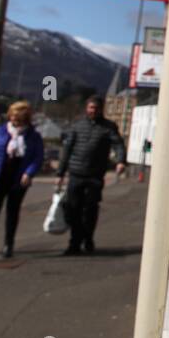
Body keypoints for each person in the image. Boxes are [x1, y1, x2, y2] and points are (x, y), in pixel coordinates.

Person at [55, 95, 127, 256]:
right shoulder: (77, 126)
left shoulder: (109, 127)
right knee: (73, 209)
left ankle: (87, 238)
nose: (93, 111)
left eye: (96, 108)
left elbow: (118, 144)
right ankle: (74, 242)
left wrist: (121, 161)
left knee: (90, 209)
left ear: (101, 110)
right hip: (76, 174)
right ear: (86, 109)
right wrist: (60, 172)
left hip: (95, 175)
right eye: (90, 108)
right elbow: (67, 149)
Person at [0, 100, 44, 259]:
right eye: (12, 117)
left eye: (18, 119)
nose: (15, 121)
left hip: (18, 179)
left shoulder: (33, 137)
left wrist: (29, 173)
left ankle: (8, 244)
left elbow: (37, 158)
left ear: (26, 119)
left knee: (13, 212)